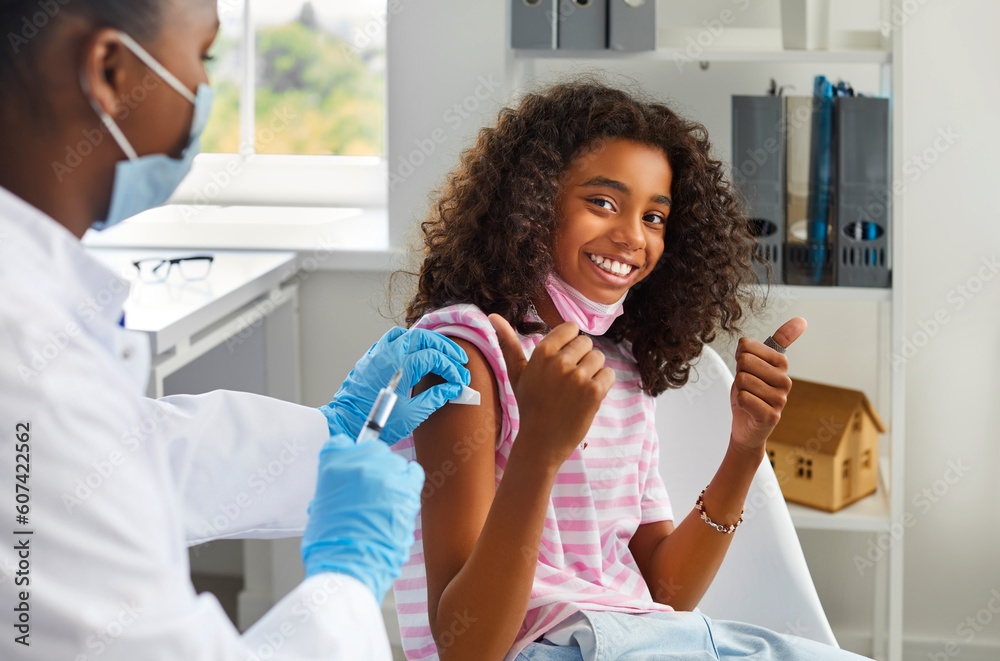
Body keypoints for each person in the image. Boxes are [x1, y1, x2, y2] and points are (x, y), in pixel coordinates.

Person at [0, 1, 469, 659]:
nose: (205, 92)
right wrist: (346, 584)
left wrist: (328, 433)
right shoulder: (28, 360)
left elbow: (118, 455)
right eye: (205, 55)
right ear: (108, 69)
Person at [390, 81, 872, 661]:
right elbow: (466, 648)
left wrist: (744, 449)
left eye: (654, 217)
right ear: (532, 201)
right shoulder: (463, 352)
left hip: (644, 638)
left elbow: (666, 592)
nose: (631, 237)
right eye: (602, 202)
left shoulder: (618, 363)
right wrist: (539, 448)